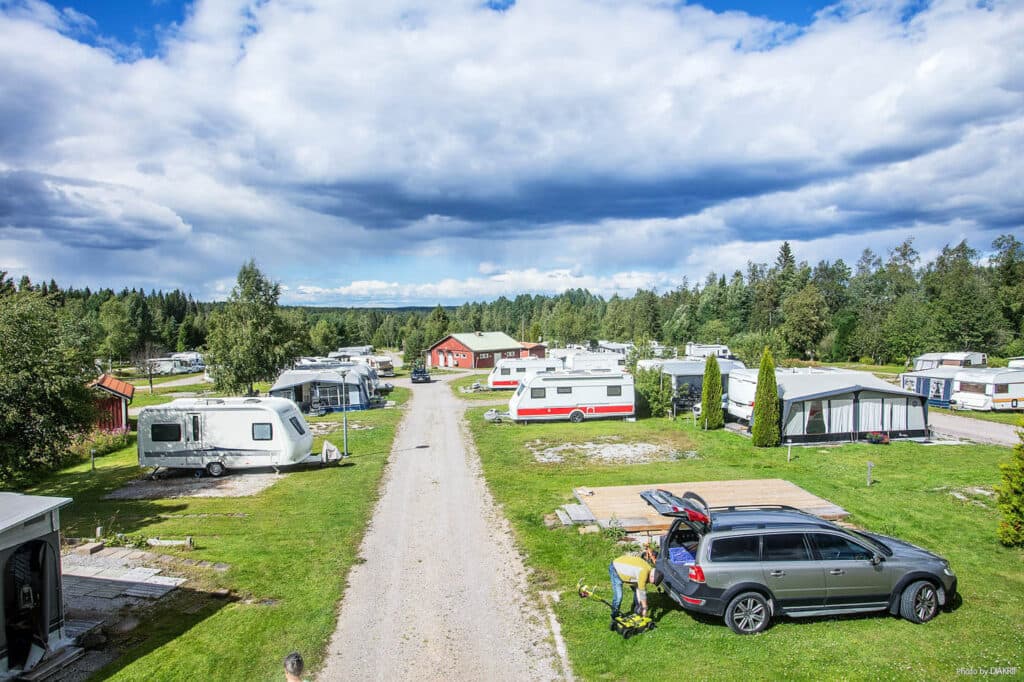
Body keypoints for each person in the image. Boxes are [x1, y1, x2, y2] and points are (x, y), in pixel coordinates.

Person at [608, 546, 662, 619]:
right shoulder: (644, 573)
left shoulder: (649, 569)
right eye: (651, 582)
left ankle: (637, 611)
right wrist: (645, 608)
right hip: (616, 569)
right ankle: (614, 615)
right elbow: (642, 592)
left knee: (637, 590)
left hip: (625, 568)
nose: (649, 582)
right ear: (652, 576)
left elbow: (639, 589)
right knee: (618, 596)